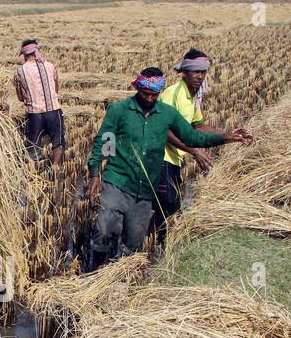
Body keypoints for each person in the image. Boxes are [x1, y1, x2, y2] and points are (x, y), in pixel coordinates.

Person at [85, 68, 250, 266]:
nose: (148, 98)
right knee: (104, 231)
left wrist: (226, 137)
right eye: (144, 93)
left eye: (154, 94)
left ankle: (123, 282)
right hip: (117, 180)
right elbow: (105, 141)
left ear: (159, 92)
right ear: (137, 88)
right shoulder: (120, 110)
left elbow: (191, 136)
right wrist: (95, 174)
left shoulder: (167, 115)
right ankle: (96, 273)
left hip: (145, 189)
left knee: (133, 244)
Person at [154, 48, 244, 229]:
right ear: (184, 73)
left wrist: (229, 134)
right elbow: (163, 131)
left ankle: (157, 248)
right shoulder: (172, 94)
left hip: (175, 160)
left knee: (166, 210)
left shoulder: (192, 97)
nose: (200, 76)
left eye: (203, 72)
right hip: (160, 159)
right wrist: (193, 150)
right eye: (196, 72)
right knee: (167, 209)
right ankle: (152, 250)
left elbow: (198, 126)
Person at [12, 39, 64, 169]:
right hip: (54, 110)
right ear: (37, 51)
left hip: (34, 114)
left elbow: (20, 97)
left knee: (33, 144)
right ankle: (55, 167)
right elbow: (56, 89)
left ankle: (35, 169)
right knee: (58, 141)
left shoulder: (20, 71)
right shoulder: (50, 66)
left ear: (24, 54)